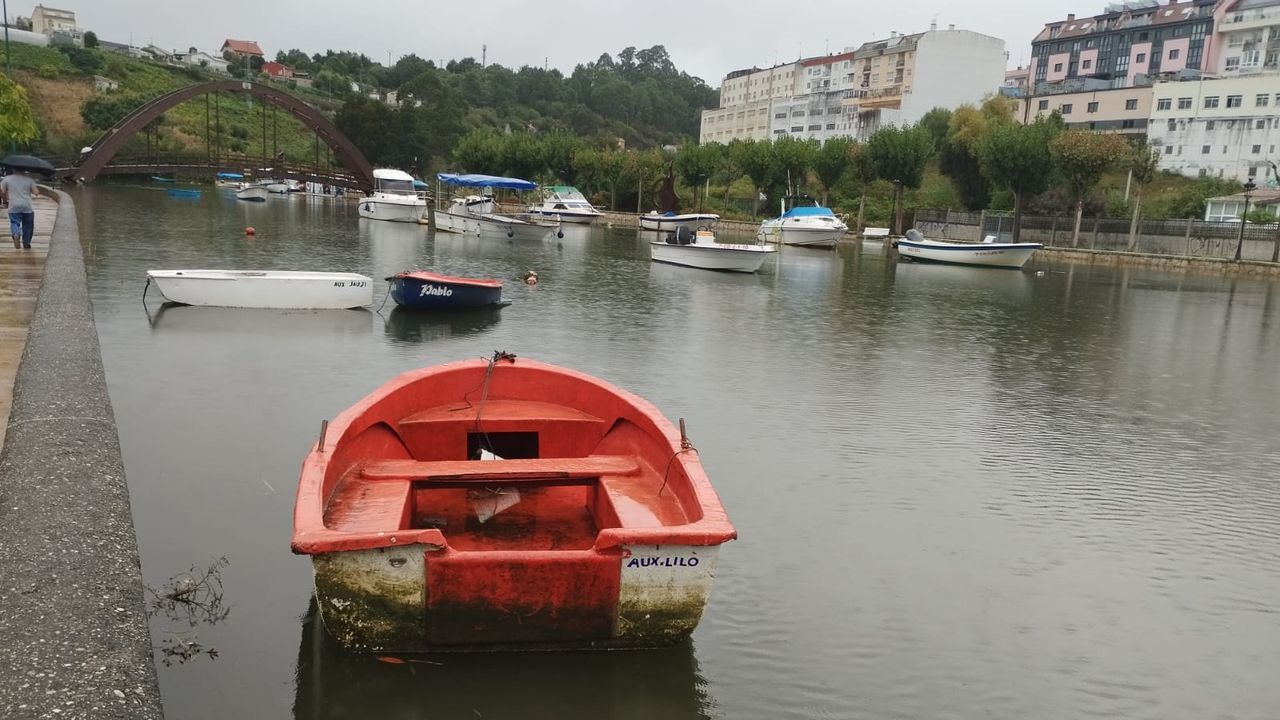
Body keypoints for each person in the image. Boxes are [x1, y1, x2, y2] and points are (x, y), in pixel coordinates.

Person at [0, 169, 41, 250]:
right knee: (28, 225)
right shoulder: (29, 179)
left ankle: (16, 234)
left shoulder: (7, 179)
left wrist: (5, 202)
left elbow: (2, 192)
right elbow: (36, 192)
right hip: (27, 206)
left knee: (14, 222)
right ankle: (26, 243)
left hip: (13, 205)